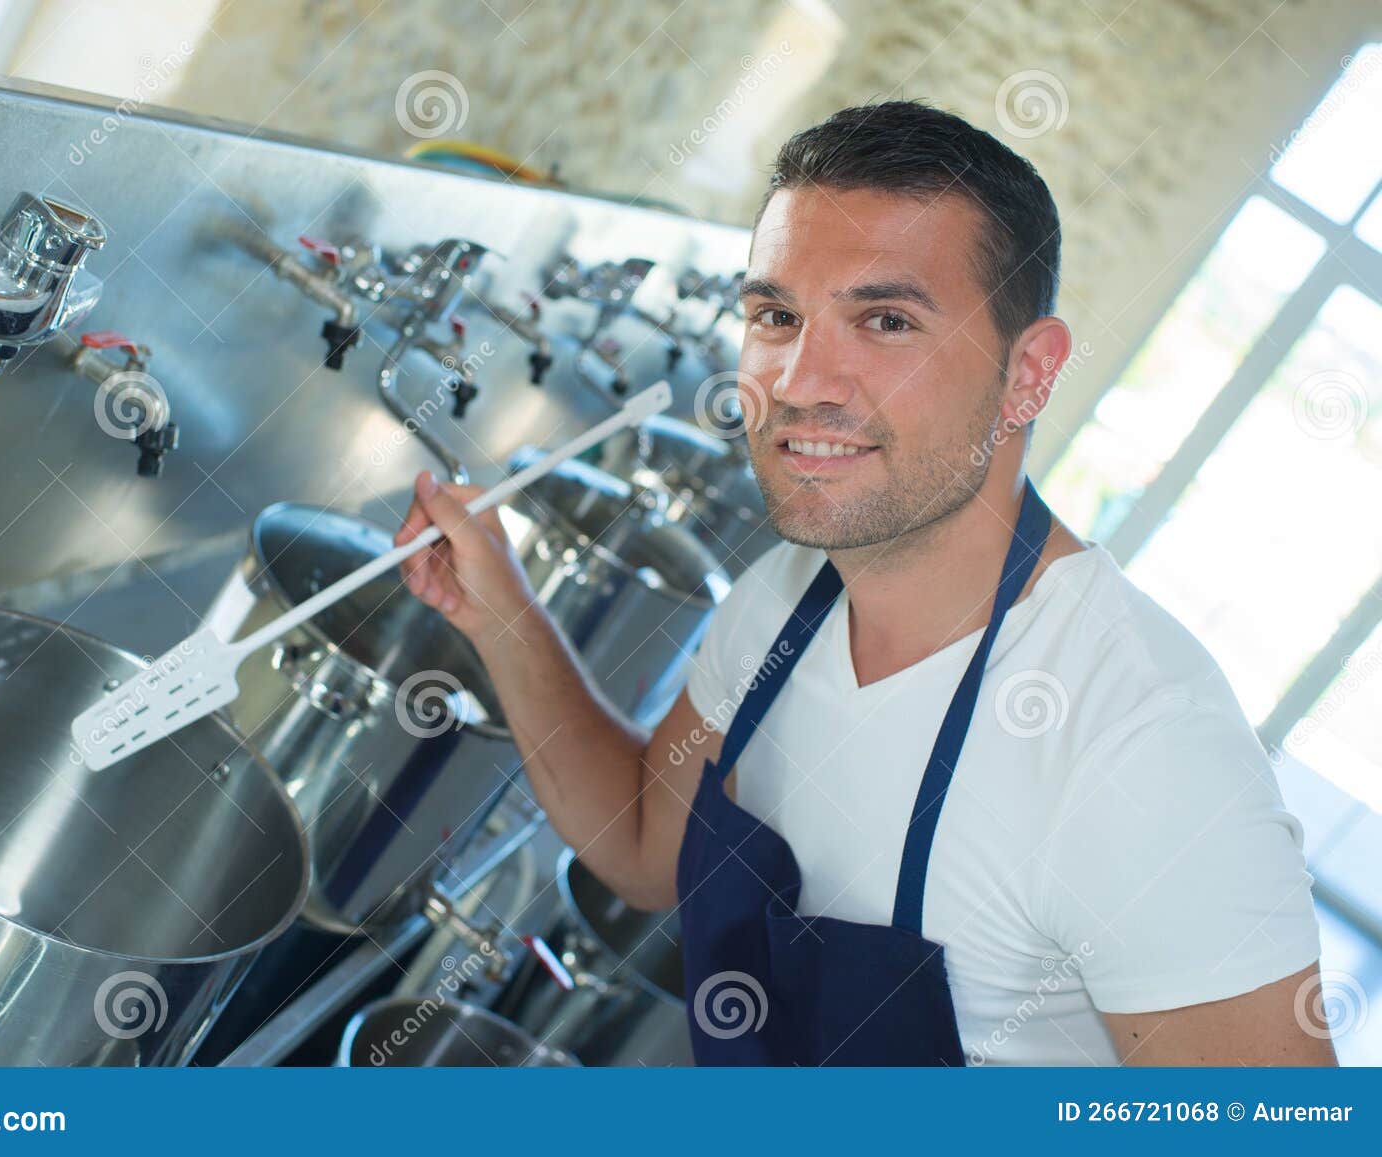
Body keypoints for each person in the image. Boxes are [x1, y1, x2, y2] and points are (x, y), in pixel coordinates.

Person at [394, 100, 1332, 1066]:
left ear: (1029, 374)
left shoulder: (1142, 747)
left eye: (886, 321)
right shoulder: (785, 596)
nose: (803, 380)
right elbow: (643, 845)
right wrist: (498, 606)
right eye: (775, 315)